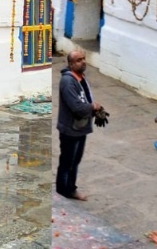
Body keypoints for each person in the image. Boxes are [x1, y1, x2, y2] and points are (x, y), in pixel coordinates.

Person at [57, 49, 102, 200]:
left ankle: (68, 188)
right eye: (78, 60)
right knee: (68, 162)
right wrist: (93, 107)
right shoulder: (68, 81)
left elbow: (85, 100)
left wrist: (95, 111)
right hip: (70, 129)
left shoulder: (81, 78)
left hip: (80, 128)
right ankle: (65, 190)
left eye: (83, 58)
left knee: (75, 161)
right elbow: (76, 107)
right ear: (70, 64)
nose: (83, 62)